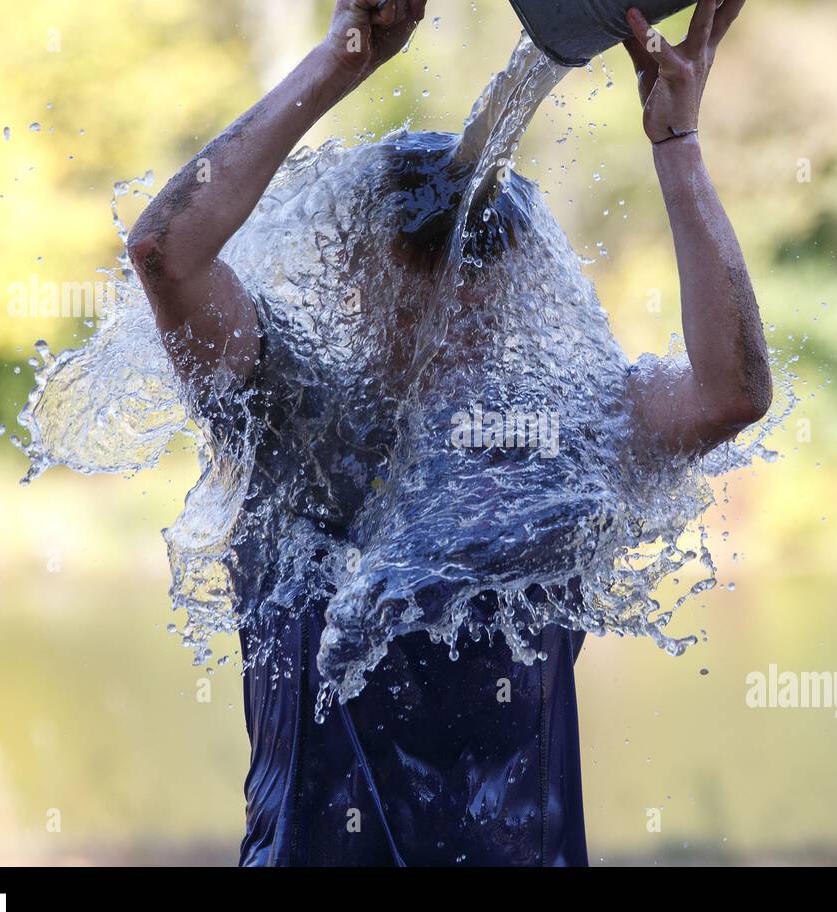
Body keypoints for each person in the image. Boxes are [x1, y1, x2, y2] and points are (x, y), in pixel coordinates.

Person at [127, 0, 770, 866]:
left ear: (514, 286)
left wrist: (678, 148)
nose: (448, 311)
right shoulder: (288, 415)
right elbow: (168, 253)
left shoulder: (560, 438)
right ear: (356, 277)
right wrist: (343, 58)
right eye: (420, 275)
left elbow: (732, 393)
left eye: (475, 277)